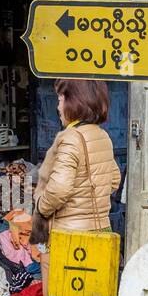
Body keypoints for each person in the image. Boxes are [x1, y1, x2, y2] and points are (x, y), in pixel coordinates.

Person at [31, 79, 121, 240]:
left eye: (60, 100)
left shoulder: (71, 138)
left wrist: (40, 206)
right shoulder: (102, 135)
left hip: (72, 234)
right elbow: (114, 179)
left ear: (72, 103)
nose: (58, 108)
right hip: (101, 229)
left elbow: (59, 189)